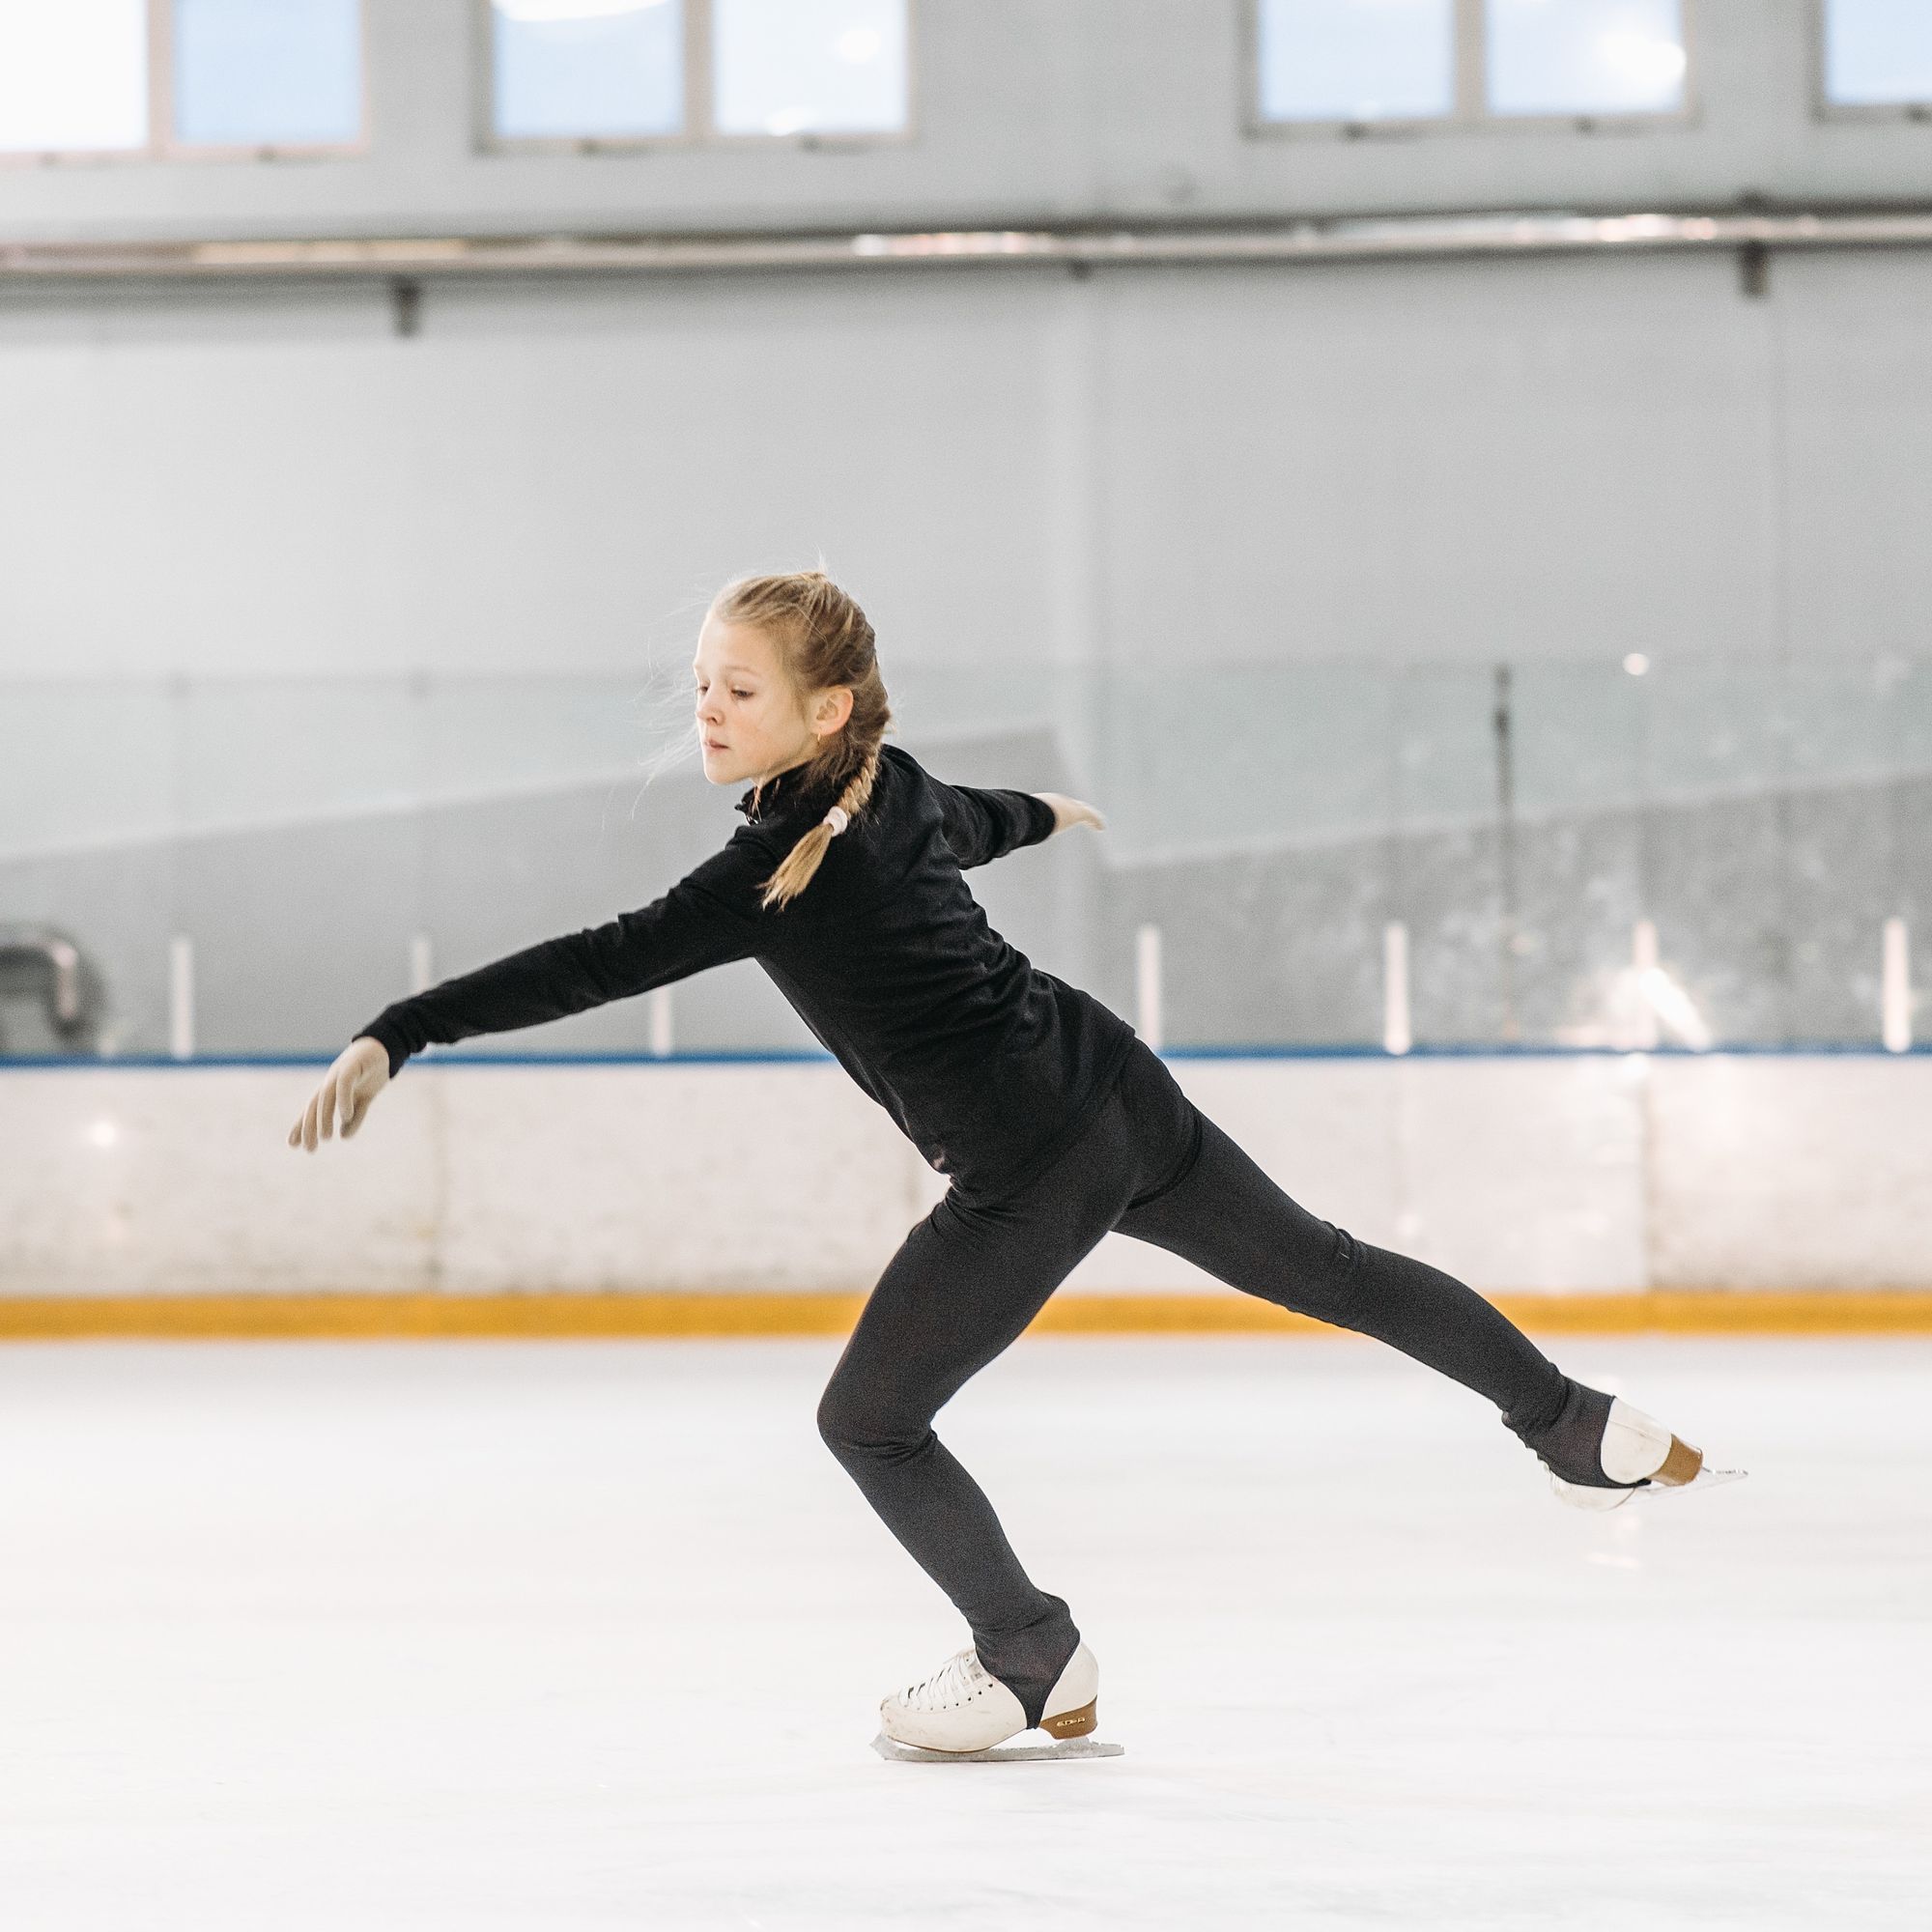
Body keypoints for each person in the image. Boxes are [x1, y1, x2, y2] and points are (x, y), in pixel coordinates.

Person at [288, 568, 1731, 1757]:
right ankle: (1580, 1426)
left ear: (823, 708)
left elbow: (597, 962)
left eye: (739, 689)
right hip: (1113, 1089)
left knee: (869, 1422)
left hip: (1029, 1165)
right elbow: (970, 820)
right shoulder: (886, 788)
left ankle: (1030, 1657)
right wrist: (1048, 815)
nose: (709, 710)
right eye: (705, 685)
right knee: (1328, 1269)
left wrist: (404, 1029)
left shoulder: (772, 875)